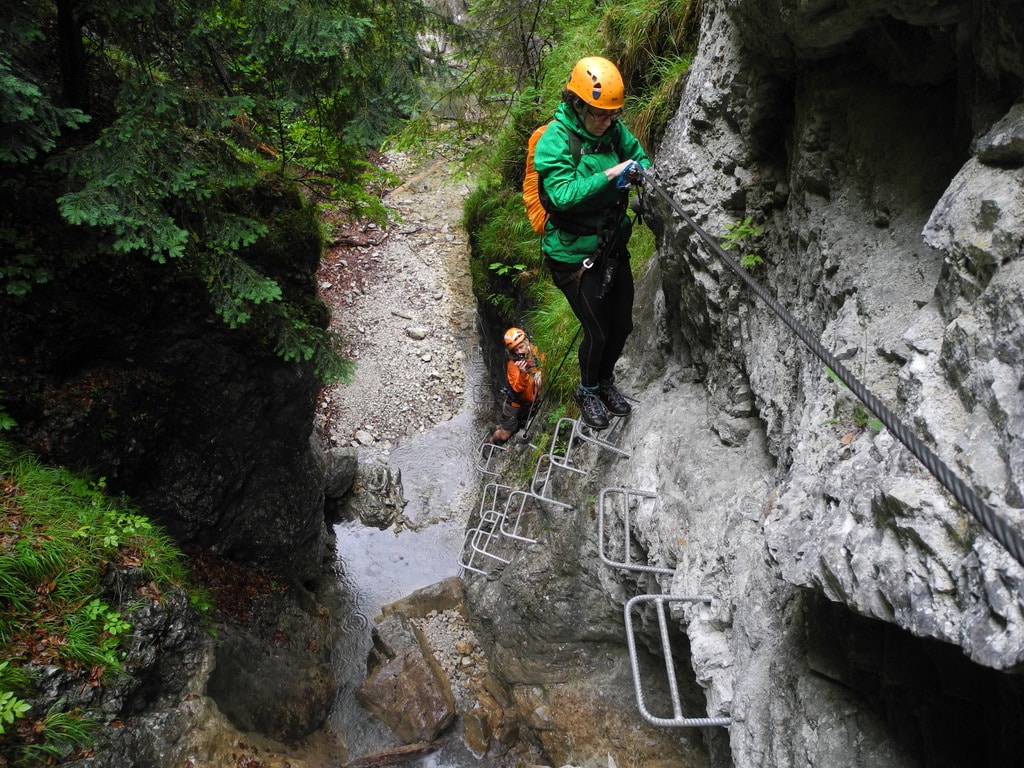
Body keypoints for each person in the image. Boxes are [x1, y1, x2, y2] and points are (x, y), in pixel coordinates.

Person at [532, 55, 651, 430]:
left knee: (623, 327)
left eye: (611, 115)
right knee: (598, 331)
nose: (606, 122)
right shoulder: (555, 140)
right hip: (571, 254)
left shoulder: (613, 130)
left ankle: (605, 382)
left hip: (610, 246)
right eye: (598, 114)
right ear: (577, 103)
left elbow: (638, 154)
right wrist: (610, 174)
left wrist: (640, 171)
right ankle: (586, 390)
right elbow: (564, 195)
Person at [489, 327, 543, 445]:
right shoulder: (513, 365)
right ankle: (492, 441)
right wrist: (523, 373)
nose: (519, 352)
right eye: (515, 350)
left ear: (527, 342)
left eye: (521, 347)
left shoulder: (536, 352)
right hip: (515, 405)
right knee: (504, 435)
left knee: (516, 425)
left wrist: (540, 373)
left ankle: (498, 427)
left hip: (532, 403)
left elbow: (545, 365)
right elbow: (517, 388)